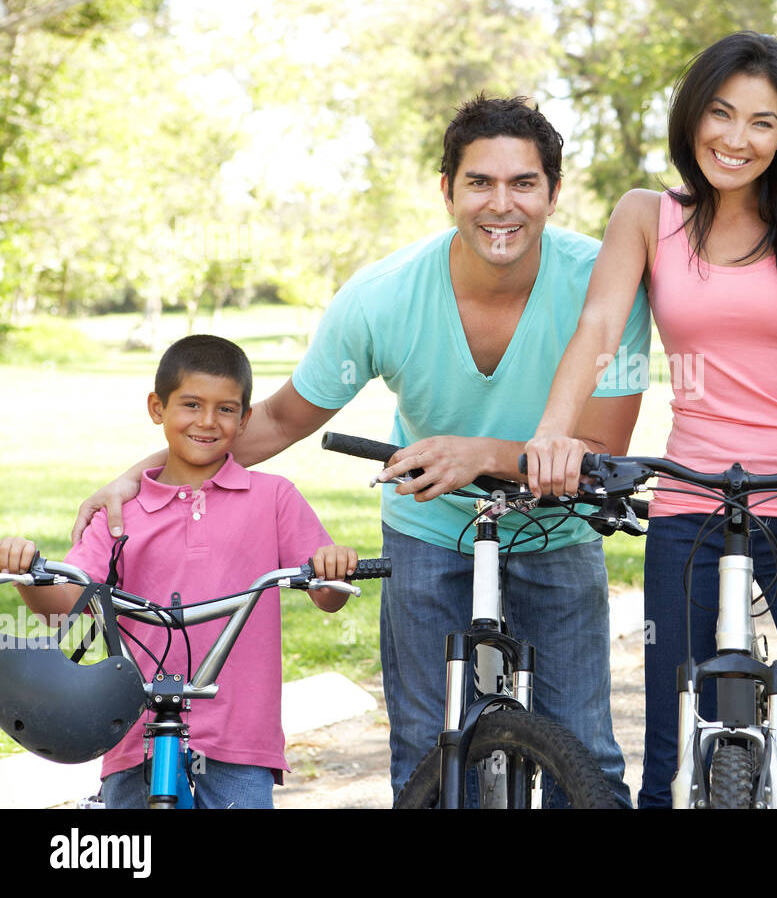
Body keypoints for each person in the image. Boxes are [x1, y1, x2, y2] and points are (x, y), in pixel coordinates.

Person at [73, 96, 650, 806]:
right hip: (429, 531)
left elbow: (601, 449)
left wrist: (480, 453)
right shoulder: (382, 298)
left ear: (553, 194)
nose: (501, 205)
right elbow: (280, 418)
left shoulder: (604, 284)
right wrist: (140, 476)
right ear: (447, 191)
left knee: (585, 754)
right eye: (479, 182)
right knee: (425, 755)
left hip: (556, 530)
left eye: (524, 183)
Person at [526, 31, 777, 808]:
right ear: (692, 118)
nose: (737, 138)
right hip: (690, 511)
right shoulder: (648, 215)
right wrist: (554, 431)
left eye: (762, 122)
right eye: (721, 114)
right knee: (674, 767)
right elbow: (599, 329)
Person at [2, 334, 357, 808]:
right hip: (133, 729)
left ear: (245, 418)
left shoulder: (274, 497)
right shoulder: (120, 512)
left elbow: (327, 594)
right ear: (157, 408)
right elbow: (65, 606)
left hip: (239, 734)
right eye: (191, 404)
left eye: (226, 409)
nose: (207, 421)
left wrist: (332, 566)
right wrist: (28, 574)